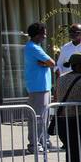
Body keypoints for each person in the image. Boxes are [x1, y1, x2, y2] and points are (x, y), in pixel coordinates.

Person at [24, 22, 55, 153]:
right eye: (44, 33)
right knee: (38, 117)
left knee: (45, 116)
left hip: (43, 86)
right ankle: (34, 144)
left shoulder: (36, 46)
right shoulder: (33, 47)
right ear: (38, 35)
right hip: (38, 87)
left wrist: (44, 64)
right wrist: (45, 64)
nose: (45, 36)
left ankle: (43, 140)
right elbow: (51, 62)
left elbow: (48, 63)